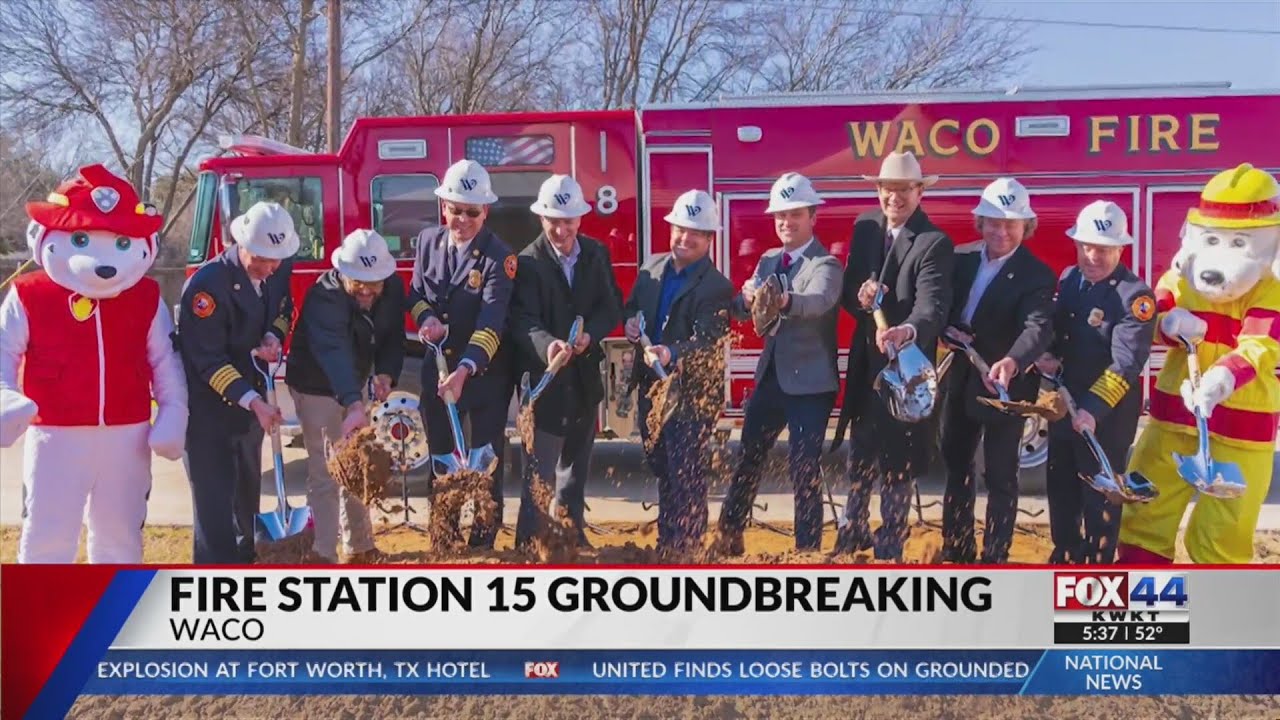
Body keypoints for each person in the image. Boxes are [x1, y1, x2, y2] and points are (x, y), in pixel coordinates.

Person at [0, 163, 186, 563]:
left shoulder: (146, 297)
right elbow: (3, 350)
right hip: (55, 434)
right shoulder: (30, 294)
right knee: (47, 534)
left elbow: (164, 361)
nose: (102, 262)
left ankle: (114, 616)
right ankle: (46, 616)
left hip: (128, 433)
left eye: (121, 243)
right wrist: (5, 396)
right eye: (81, 238)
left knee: (120, 535)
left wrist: (174, 411)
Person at [831, 151, 955, 561]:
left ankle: (891, 540)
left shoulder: (933, 243)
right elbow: (849, 292)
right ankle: (852, 530)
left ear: (920, 192)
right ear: (878, 190)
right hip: (868, 367)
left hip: (906, 372)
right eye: (888, 189)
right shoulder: (866, 228)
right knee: (860, 452)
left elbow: (931, 305)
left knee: (897, 461)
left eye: (904, 189)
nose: (895, 197)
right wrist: (860, 296)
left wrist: (907, 330)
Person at [716, 172, 843, 553]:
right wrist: (746, 296)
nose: (786, 222)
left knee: (804, 469)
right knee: (748, 460)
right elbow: (741, 311)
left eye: (795, 215)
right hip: (771, 379)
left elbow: (816, 301)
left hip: (811, 387)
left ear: (812, 217)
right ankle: (728, 536)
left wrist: (783, 299)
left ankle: (807, 550)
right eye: (780, 216)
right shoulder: (769, 260)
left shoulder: (827, 264)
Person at [938, 178, 1055, 564]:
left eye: (1010, 224)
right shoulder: (961, 258)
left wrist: (1013, 360)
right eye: (993, 222)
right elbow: (942, 308)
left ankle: (995, 556)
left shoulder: (1036, 274)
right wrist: (945, 330)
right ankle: (957, 548)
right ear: (980, 222)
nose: (1001, 231)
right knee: (957, 467)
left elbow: (1038, 328)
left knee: (1002, 476)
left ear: (1026, 226)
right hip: (962, 376)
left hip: (1008, 387)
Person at [1035, 200, 1156, 564]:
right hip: (1065, 404)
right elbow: (1060, 330)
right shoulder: (1070, 279)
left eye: (1102, 249)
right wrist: (1047, 352)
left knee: (1099, 494)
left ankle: (1100, 564)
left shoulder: (1135, 298)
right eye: (1085, 246)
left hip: (1105, 417)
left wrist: (1091, 411)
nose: (1092, 255)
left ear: (1120, 248)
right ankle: (1067, 551)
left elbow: (1126, 364)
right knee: (1061, 486)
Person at [177, 201, 297, 564]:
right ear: (242, 243)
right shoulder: (206, 287)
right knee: (215, 507)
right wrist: (254, 402)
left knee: (246, 497)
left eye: (275, 260)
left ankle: (248, 563)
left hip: (250, 411)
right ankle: (215, 576)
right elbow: (208, 361)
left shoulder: (277, 266)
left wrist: (274, 338)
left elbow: (283, 310)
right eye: (261, 259)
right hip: (210, 412)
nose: (269, 268)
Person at [510, 175, 624, 548]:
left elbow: (611, 307)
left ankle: (572, 533)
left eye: (568, 220)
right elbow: (522, 321)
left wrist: (591, 333)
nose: (561, 229)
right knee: (540, 471)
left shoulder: (596, 254)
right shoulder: (527, 262)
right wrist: (548, 346)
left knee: (575, 467)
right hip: (546, 384)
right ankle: (530, 540)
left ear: (580, 218)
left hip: (585, 380)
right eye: (553, 220)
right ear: (541, 218)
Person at [407, 159, 515, 549]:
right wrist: (428, 319)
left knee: (485, 459)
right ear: (444, 208)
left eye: (472, 212)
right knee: (441, 457)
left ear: (484, 211)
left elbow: (492, 322)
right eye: (455, 210)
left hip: (483, 374)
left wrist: (466, 368)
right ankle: (443, 536)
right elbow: (416, 293)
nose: (463, 219)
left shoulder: (499, 258)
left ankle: (483, 541)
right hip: (436, 372)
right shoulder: (426, 242)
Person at [285, 228, 406, 564]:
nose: (366, 290)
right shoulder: (324, 296)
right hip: (316, 385)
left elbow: (393, 335)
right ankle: (324, 552)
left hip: (354, 381)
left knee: (357, 465)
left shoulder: (391, 286)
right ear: (343, 273)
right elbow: (333, 351)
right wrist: (354, 403)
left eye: (373, 284)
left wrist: (386, 373)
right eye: (358, 284)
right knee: (327, 470)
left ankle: (361, 547)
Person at [623, 189, 733, 555]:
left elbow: (707, 341)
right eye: (679, 230)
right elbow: (633, 307)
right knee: (663, 468)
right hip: (652, 390)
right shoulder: (650, 268)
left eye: (694, 233)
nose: (684, 238)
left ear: (708, 239)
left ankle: (687, 546)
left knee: (686, 473)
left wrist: (672, 351)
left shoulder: (716, 286)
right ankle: (669, 539)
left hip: (691, 393)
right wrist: (630, 326)